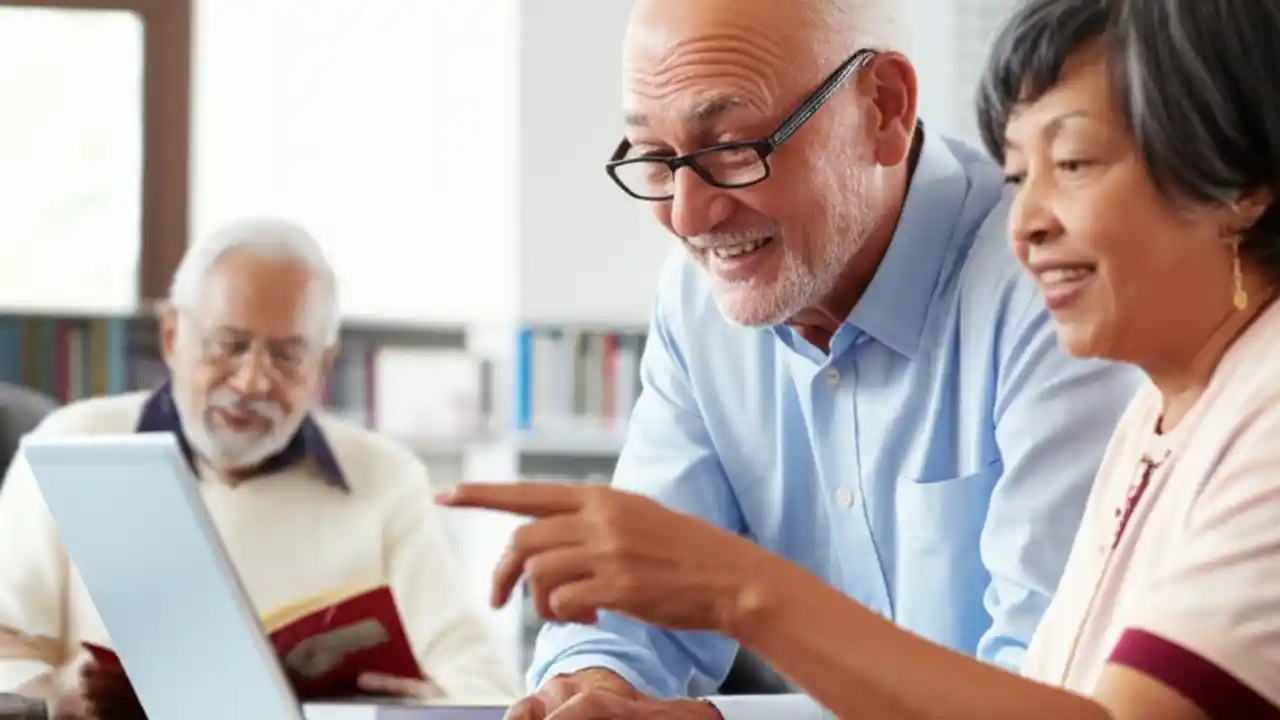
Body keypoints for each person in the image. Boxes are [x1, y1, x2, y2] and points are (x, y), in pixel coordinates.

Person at [443, 0, 1280, 717]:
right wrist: (594, 684)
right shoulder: (1165, 409)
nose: (690, 217)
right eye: (1020, 174)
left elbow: (1043, 691)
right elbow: (627, 615)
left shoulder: (1104, 330)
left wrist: (742, 594)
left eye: (735, 146)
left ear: (883, 107)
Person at [0, 219, 519, 718]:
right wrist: (57, 695)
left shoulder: (387, 477)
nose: (251, 382)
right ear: (171, 336)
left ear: (324, 365)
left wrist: (416, 705)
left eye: (287, 356)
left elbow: (485, 686)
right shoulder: (70, 444)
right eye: (228, 346)